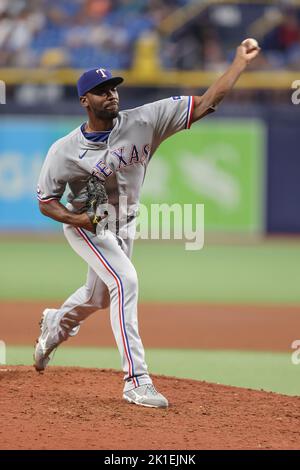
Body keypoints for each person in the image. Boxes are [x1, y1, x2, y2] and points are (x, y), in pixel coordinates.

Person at [34, 42, 260, 408]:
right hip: (87, 227)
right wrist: (80, 219)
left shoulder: (145, 120)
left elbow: (206, 103)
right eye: (101, 91)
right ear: (84, 101)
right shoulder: (64, 151)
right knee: (126, 281)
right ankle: (136, 380)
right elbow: (46, 203)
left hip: (124, 224)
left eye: (114, 88)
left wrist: (238, 63)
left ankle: (55, 325)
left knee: (98, 297)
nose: (111, 95)